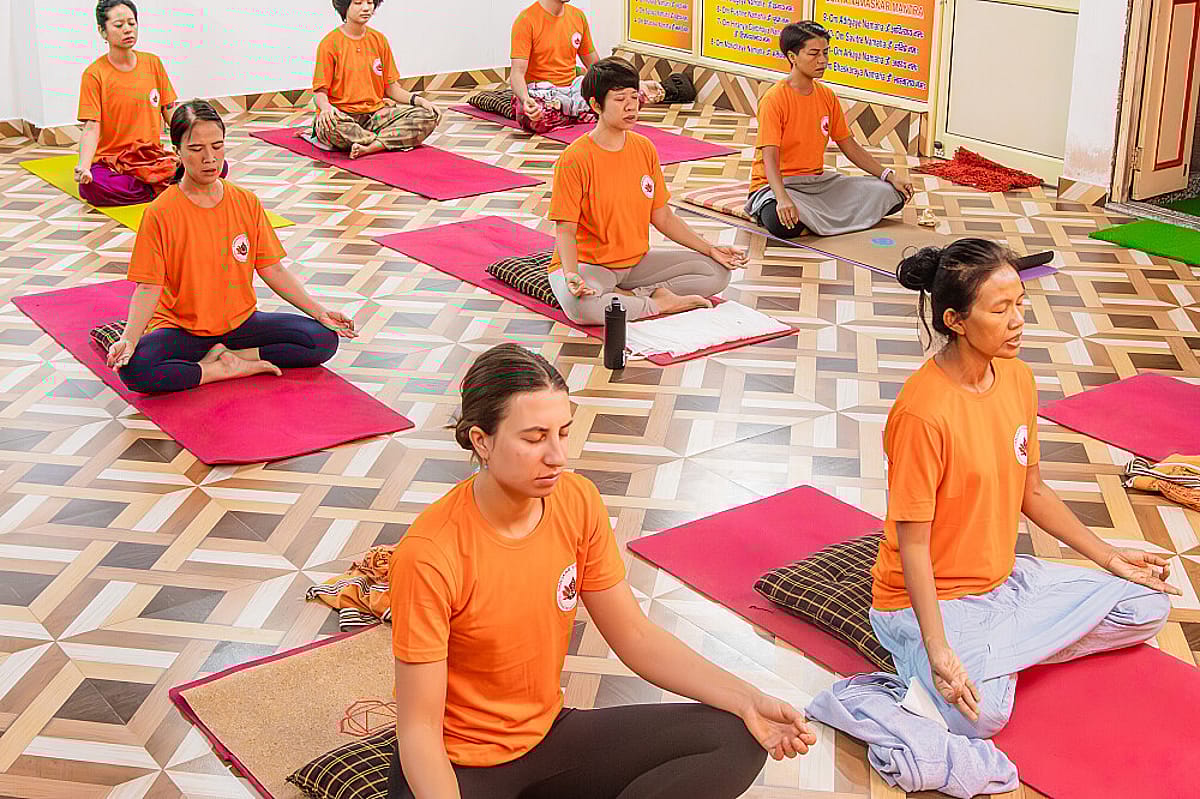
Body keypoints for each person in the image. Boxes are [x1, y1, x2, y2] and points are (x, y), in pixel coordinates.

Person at [388, 342, 817, 798]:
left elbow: (635, 637)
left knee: (734, 740)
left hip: (547, 739)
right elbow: (417, 730)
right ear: (482, 441)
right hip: (460, 766)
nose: (557, 456)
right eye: (534, 438)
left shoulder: (576, 500)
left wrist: (749, 700)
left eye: (563, 433)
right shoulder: (429, 554)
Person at [870, 238, 1177, 739]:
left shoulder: (1017, 377)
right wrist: (940, 648)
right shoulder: (922, 414)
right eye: (1000, 309)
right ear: (955, 321)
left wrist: (1110, 558)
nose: (1018, 321)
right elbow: (914, 543)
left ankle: (1002, 653)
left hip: (1004, 583)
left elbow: (1031, 490)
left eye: (1020, 305)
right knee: (983, 716)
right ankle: (973, 656)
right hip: (926, 602)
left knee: (1146, 606)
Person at [108, 101, 357, 394]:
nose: (209, 158)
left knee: (322, 340)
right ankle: (216, 369)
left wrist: (319, 312)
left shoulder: (245, 201)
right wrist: (130, 338)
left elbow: (272, 268)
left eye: (217, 146)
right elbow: (148, 288)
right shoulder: (160, 213)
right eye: (196, 149)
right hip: (184, 331)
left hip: (241, 324)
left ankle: (235, 360)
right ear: (177, 151)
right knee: (137, 369)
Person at [548, 57, 745, 326]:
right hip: (589, 265)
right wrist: (571, 274)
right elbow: (565, 230)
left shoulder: (644, 148)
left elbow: (662, 217)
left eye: (634, 96)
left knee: (717, 272)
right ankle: (655, 303)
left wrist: (710, 249)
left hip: (634, 263)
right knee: (581, 307)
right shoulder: (575, 159)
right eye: (619, 99)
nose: (631, 106)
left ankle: (637, 297)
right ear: (596, 104)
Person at [746, 21, 914, 239]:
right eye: (814, 54)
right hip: (776, 185)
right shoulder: (774, 100)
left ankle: (816, 222)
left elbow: (849, 145)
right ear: (792, 57)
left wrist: (888, 175)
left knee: (892, 194)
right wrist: (782, 197)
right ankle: (825, 218)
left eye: (825, 53)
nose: (823, 61)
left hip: (817, 184)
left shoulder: (826, 96)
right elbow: (769, 157)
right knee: (781, 222)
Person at [75, 0, 185, 207]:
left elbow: (170, 111)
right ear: (102, 31)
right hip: (113, 162)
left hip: (151, 157)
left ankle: (155, 184)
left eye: (131, 23)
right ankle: (164, 186)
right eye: (119, 25)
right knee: (92, 186)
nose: (127, 30)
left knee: (216, 166)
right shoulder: (94, 75)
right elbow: (91, 127)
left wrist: (191, 143)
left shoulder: (153, 63)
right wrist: (84, 167)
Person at [509, 0, 665, 134]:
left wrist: (635, 85)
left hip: (574, 90)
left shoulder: (577, 16)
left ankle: (572, 112)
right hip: (542, 92)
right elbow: (517, 73)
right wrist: (525, 99)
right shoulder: (526, 20)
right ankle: (585, 113)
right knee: (535, 115)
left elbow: (596, 66)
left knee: (633, 97)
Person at [311, 0, 440, 159]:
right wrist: (325, 108)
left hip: (375, 116)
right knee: (330, 126)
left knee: (427, 116)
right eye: (358, 3)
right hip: (342, 116)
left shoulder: (379, 40)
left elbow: (391, 89)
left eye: (370, 2)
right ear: (345, 7)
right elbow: (319, 93)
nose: (366, 8)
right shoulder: (329, 44)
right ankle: (385, 140)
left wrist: (420, 101)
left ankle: (370, 146)